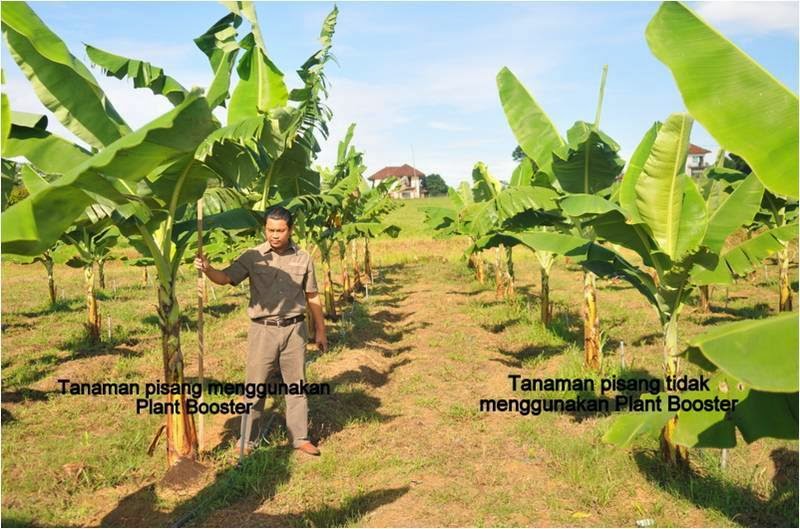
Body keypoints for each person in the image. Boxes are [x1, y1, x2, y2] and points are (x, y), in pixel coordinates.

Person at [195, 206, 327, 456]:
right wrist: (207, 269)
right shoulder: (252, 256)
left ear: (290, 230)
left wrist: (320, 330)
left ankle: (300, 438)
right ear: (264, 229)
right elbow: (225, 278)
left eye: (280, 230)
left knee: (296, 385)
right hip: (262, 330)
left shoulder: (303, 258)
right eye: (270, 230)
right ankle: (247, 439)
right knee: (255, 386)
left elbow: (312, 296)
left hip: (294, 329)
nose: (275, 235)